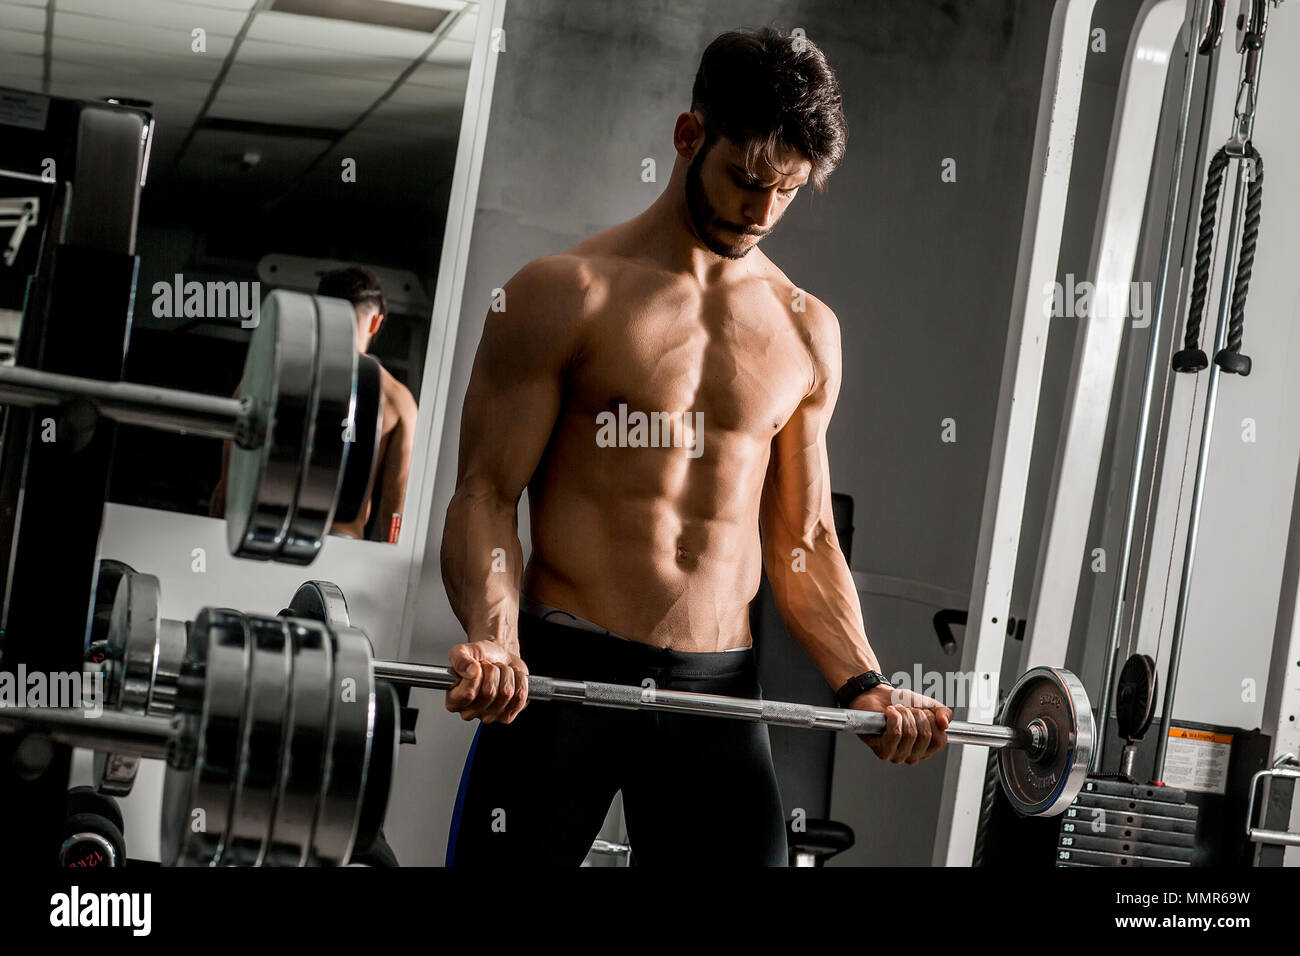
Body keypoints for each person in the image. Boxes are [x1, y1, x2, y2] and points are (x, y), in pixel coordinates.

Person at [441, 27, 952, 867]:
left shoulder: (804, 330)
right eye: (746, 180)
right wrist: (495, 637)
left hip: (713, 692)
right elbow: (485, 498)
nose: (760, 212)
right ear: (688, 138)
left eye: (786, 191)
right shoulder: (562, 295)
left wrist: (864, 683)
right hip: (565, 677)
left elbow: (804, 539)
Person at [209, 266, 418, 543]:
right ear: (376, 323)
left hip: (265, 532)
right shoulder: (398, 400)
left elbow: (227, 485)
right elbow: (395, 516)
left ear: (321, 310)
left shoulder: (268, 372)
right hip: (340, 545)